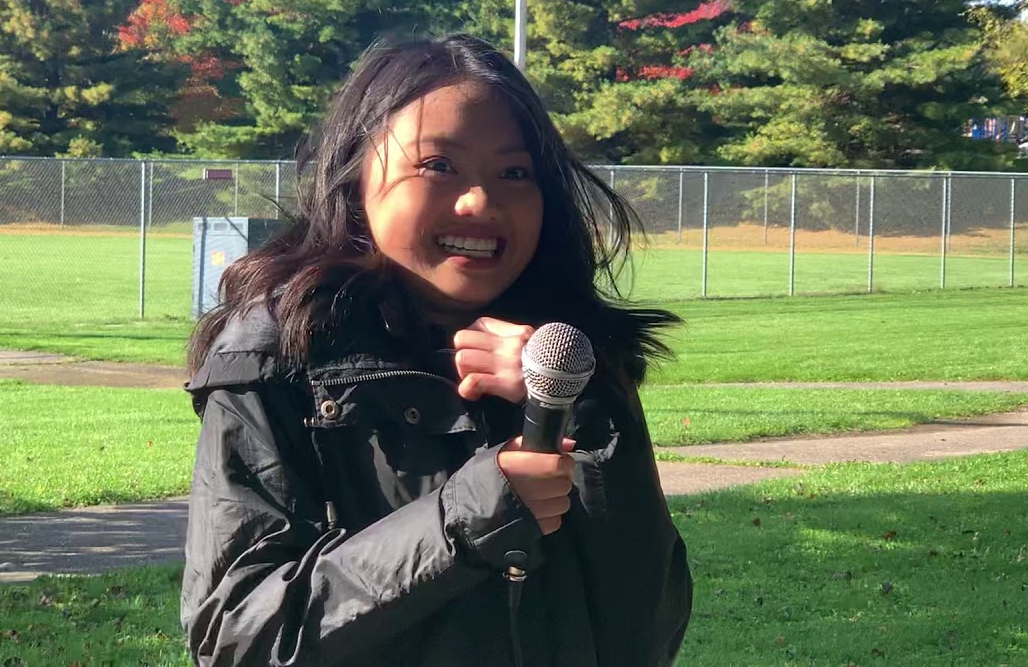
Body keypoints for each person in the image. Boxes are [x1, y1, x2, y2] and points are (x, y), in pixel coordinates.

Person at [181, 33, 693, 666]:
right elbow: (238, 635)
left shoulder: (565, 361)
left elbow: (644, 636)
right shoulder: (276, 352)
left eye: (514, 172)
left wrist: (584, 409)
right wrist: (471, 517)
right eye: (438, 166)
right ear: (355, 177)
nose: (480, 202)